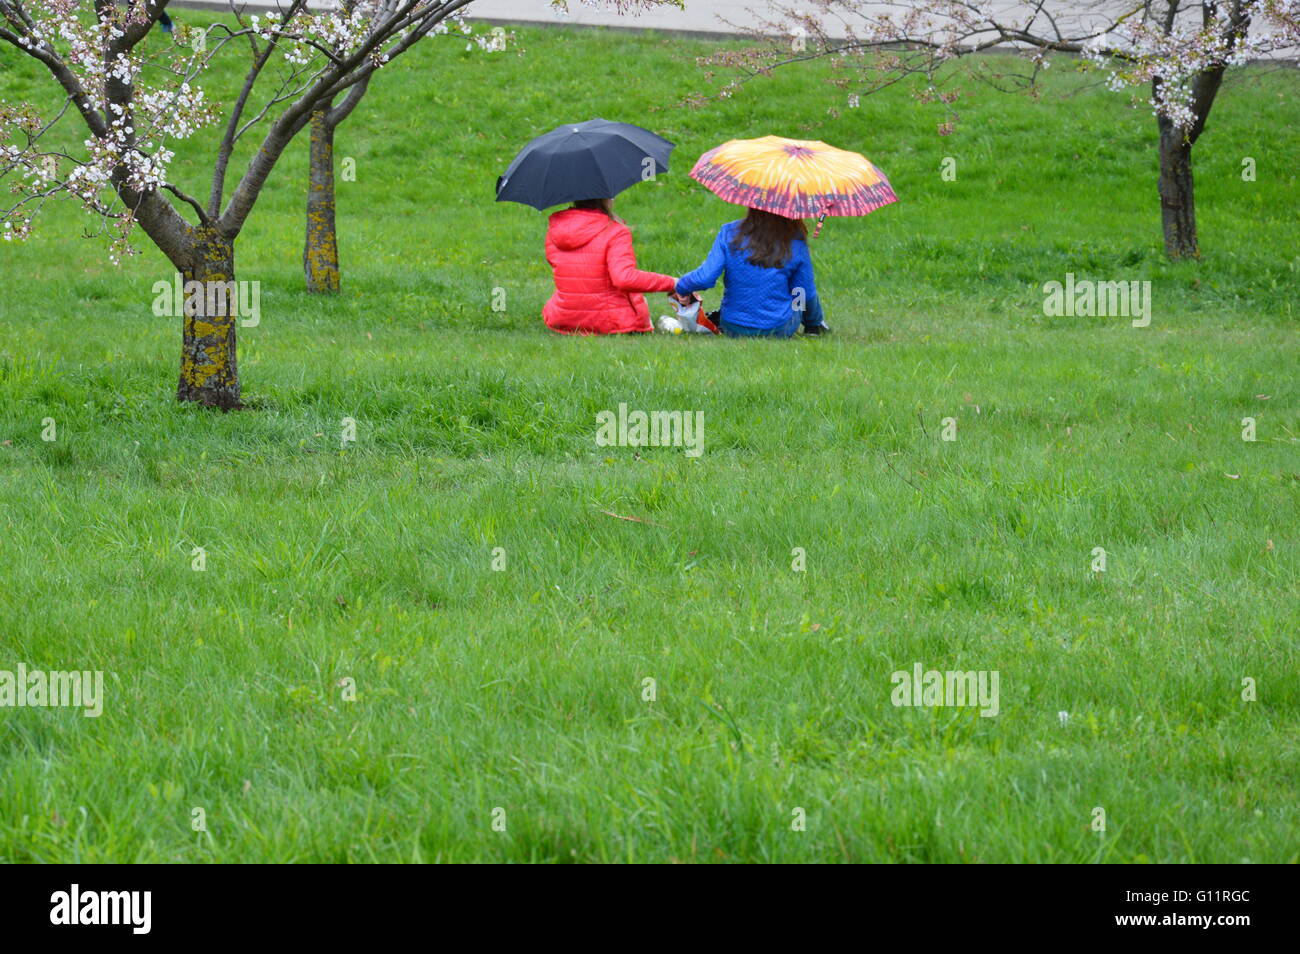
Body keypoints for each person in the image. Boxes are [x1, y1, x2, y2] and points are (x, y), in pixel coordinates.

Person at [673, 208, 829, 338]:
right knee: (798, 294)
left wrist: (682, 286)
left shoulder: (729, 232)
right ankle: (815, 326)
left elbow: (706, 277)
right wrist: (813, 322)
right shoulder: (795, 241)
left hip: (733, 327)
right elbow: (804, 293)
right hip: (780, 328)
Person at [542, 198, 678, 335]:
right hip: (612, 323)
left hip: (563, 318)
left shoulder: (555, 229)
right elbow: (624, 279)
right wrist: (674, 283)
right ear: (606, 199)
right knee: (639, 299)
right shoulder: (616, 231)